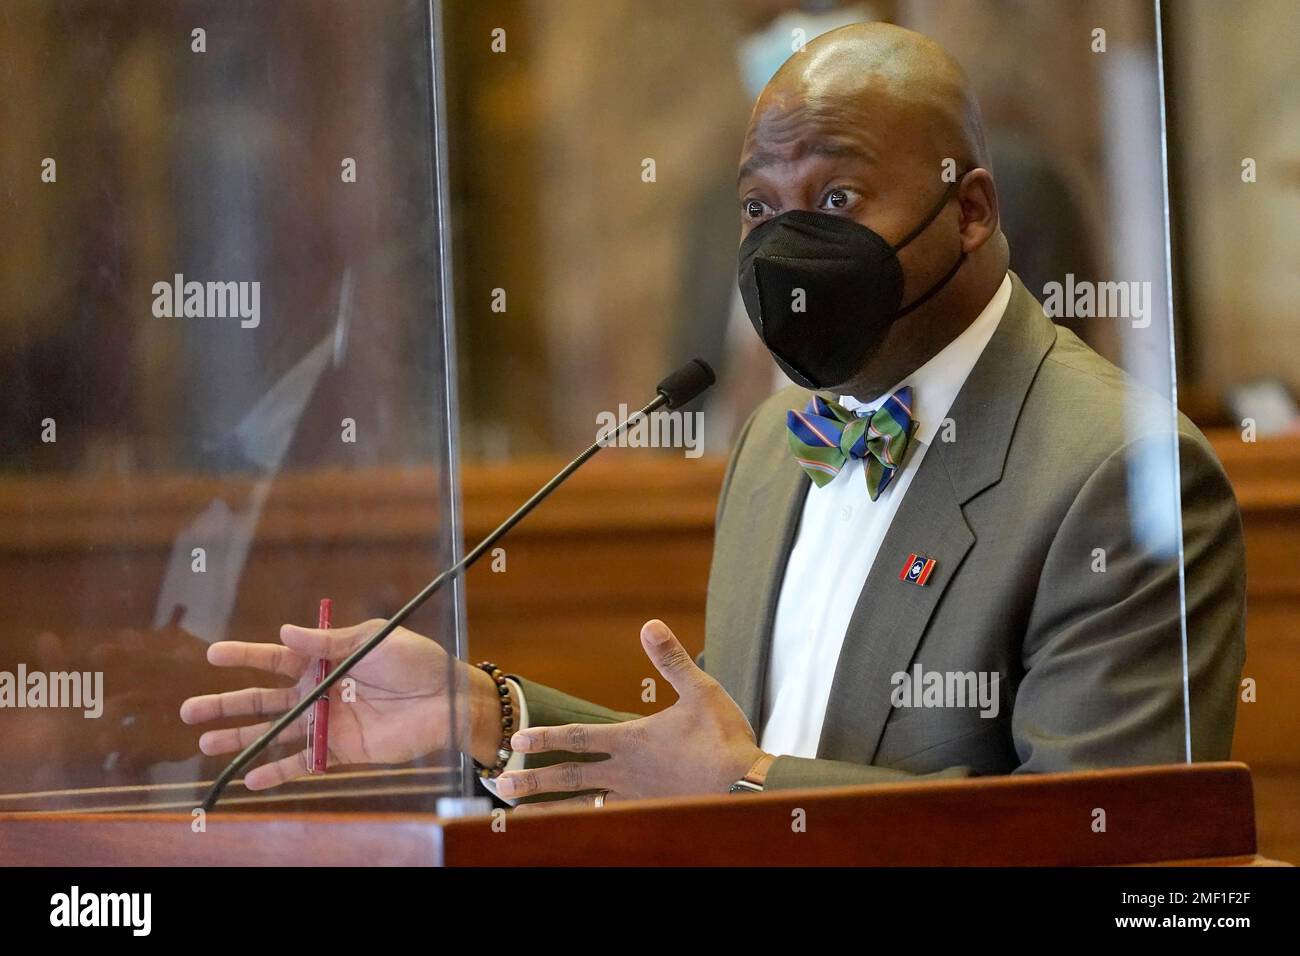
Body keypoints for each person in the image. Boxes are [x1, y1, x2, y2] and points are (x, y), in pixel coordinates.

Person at [180, 22, 1245, 810]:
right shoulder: (775, 447)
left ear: (970, 211)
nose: (785, 248)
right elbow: (717, 761)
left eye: (834, 201)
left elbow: (1112, 847)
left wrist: (747, 778)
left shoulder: (1113, 467)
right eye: (757, 207)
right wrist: (494, 713)